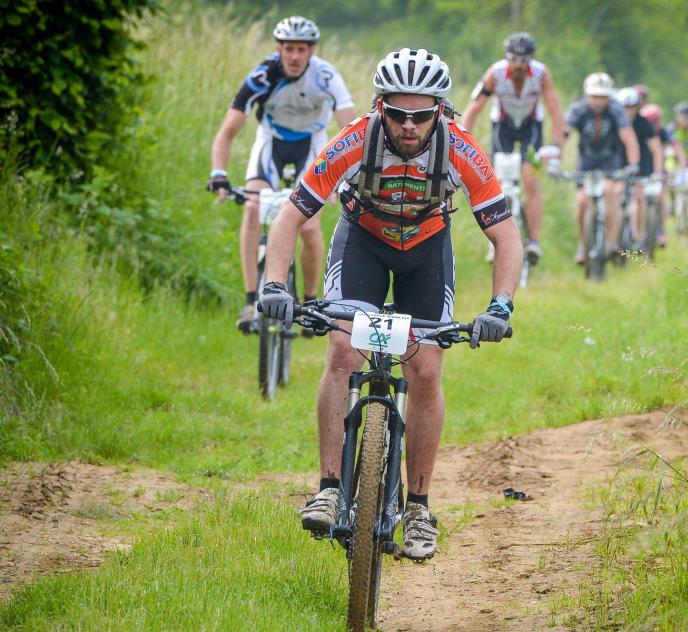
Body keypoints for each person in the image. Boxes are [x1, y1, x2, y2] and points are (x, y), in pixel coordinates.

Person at [258, 48, 522, 561]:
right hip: (363, 242)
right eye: (397, 114)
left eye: (421, 115)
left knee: (425, 367)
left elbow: (506, 237)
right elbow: (291, 216)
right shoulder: (355, 139)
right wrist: (273, 286)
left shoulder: (461, 148)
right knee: (343, 350)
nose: (408, 126)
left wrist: (500, 307)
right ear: (380, 106)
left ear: (441, 110)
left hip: (427, 250)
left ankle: (418, 507)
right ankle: (329, 489)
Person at [208, 16, 357, 332]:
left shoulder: (326, 76)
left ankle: (311, 301)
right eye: (288, 49)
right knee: (252, 208)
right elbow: (227, 131)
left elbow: (351, 131)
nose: (294, 56)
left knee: (309, 226)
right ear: (278, 49)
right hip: (271, 142)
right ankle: (251, 300)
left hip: (312, 143)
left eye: (301, 49)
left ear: (311, 51)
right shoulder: (262, 76)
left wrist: (342, 181)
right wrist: (218, 173)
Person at [461, 32, 565, 265]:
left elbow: (556, 110)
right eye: (514, 59)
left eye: (523, 60)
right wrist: (463, 141)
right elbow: (474, 108)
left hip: (531, 127)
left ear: (531, 59)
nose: (518, 65)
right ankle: (494, 240)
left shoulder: (541, 74)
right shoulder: (495, 73)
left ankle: (534, 242)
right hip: (503, 126)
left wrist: (556, 146)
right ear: (506, 57)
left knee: (531, 180)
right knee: (496, 183)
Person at [562, 72, 640, 264]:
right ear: (587, 94)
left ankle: (611, 242)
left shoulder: (616, 110)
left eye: (603, 97)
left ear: (609, 96)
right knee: (581, 201)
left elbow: (629, 138)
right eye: (595, 96)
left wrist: (633, 164)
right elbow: (564, 133)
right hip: (586, 159)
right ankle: (583, 244)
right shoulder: (578, 109)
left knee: (609, 191)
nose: (599, 101)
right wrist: (555, 155)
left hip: (609, 159)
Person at [614, 87, 662, 251]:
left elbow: (656, 149)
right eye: (624, 107)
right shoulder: (612, 121)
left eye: (631, 107)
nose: (628, 111)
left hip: (641, 166)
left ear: (637, 107)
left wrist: (657, 172)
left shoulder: (644, 124)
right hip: (617, 164)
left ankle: (638, 236)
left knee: (638, 196)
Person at [641, 103, 686, 247]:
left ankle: (661, 230)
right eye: (649, 122)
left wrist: (683, 171)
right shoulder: (638, 130)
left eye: (655, 121)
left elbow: (678, 150)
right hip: (641, 169)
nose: (652, 125)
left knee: (660, 198)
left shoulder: (664, 133)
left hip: (659, 170)